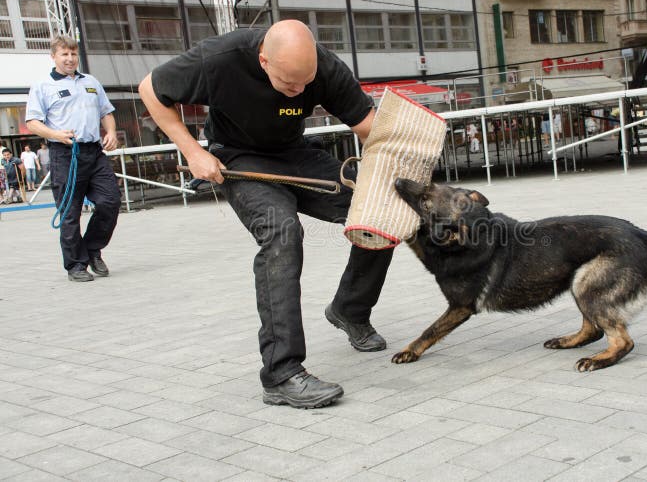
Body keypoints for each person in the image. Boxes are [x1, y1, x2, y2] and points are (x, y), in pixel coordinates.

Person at [138, 20, 394, 409]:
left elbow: (367, 126)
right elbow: (150, 89)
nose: (300, 91)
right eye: (290, 84)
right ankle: (281, 373)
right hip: (238, 158)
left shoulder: (323, 67)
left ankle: (350, 309)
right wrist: (193, 151)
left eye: (306, 83)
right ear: (263, 60)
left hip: (293, 155)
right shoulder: (221, 58)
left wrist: (401, 157)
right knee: (282, 235)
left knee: (378, 209)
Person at [25, 35, 121, 282]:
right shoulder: (43, 85)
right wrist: (54, 133)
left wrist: (110, 131)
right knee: (70, 212)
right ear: (53, 57)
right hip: (65, 155)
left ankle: (91, 250)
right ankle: (75, 265)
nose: (70, 58)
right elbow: (33, 122)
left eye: (73, 54)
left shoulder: (91, 82)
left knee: (110, 202)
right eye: (64, 54)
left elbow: (106, 112)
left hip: (94, 153)